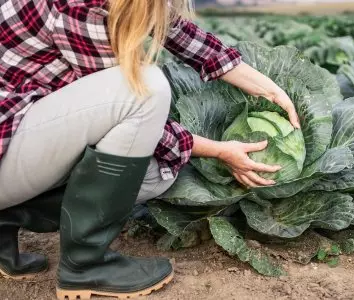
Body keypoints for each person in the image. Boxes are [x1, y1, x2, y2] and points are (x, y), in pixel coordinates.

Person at [0, 0, 300, 299]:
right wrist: (220, 150)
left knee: (156, 173)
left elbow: (182, 34)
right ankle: (85, 266)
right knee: (146, 87)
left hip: (15, 135)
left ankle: (7, 218)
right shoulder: (80, 7)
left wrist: (269, 88)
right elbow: (136, 105)